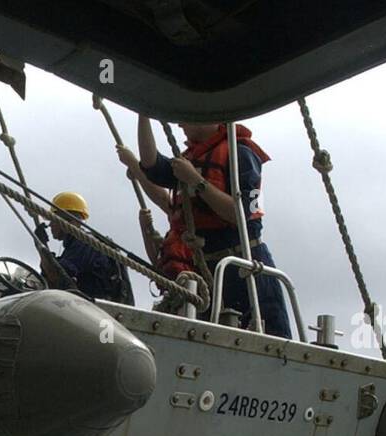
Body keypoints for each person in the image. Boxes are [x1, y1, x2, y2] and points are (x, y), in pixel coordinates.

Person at [117, 117, 291, 337]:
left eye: (186, 119)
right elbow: (152, 165)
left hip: (245, 268)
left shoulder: (242, 155)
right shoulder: (189, 160)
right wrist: (144, 114)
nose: (180, 125)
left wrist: (197, 181)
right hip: (206, 271)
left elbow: (242, 214)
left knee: (269, 341)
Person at [35, 192, 133, 303]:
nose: (50, 225)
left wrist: (40, 245)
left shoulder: (84, 244)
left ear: (67, 220)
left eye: (52, 219)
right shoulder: (81, 245)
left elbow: (57, 277)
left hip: (96, 309)